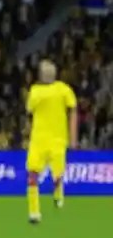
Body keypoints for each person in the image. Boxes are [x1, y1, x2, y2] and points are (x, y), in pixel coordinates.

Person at [24, 59, 78, 223]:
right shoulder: (63, 89)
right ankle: (57, 194)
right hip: (56, 139)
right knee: (56, 173)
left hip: (40, 140)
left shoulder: (35, 91)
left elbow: (29, 111)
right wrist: (73, 136)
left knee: (34, 175)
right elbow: (73, 111)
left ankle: (34, 212)